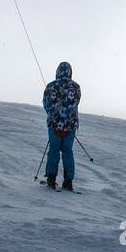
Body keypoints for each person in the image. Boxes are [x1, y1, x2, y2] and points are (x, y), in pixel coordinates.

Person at [42, 61, 81, 190]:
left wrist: (54, 116)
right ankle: (68, 181)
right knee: (67, 152)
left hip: (54, 126)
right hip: (70, 127)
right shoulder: (75, 87)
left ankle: (51, 178)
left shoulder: (51, 86)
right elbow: (74, 104)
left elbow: (46, 104)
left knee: (53, 150)